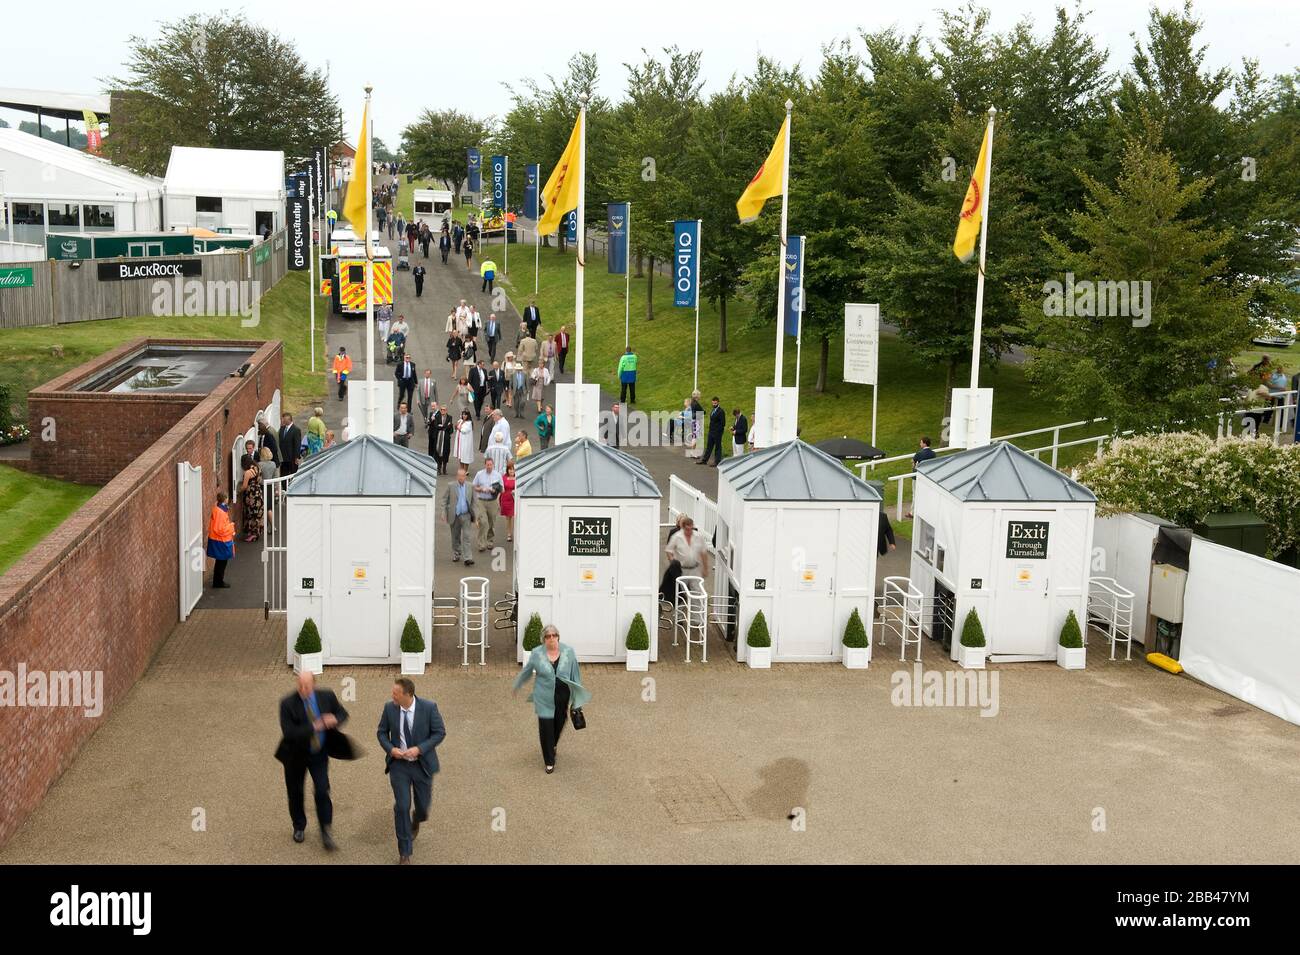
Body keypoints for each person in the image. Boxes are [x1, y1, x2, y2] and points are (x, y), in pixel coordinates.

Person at [275, 671, 353, 849]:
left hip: (319, 753)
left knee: (322, 790)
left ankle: (326, 829)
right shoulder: (287, 703)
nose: (303, 689)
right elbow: (289, 733)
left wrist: (335, 719)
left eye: (307, 686)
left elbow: (342, 713)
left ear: (314, 684)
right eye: (300, 685)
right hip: (295, 755)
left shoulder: (326, 696)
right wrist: (315, 725)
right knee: (295, 793)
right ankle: (299, 826)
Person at [376, 678, 446, 865]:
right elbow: (381, 732)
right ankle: (405, 853)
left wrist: (420, 749)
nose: (392, 696)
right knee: (402, 806)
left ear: (407, 695)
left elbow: (439, 733)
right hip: (399, 766)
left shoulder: (429, 708)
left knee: (423, 807)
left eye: (396, 693)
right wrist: (391, 749)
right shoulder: (390, 708)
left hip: (422, 765)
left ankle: (417, 819)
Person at [512, 624, 591, 774]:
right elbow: (527, 671)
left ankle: (552, 744)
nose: (551, 638)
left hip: (563, 694)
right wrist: (517, 685)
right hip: (543, 695)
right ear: (544, 639)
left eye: (554, 635)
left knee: (560, 721)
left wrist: (577, 698)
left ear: (558, 637)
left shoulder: (568, 652)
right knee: (546, 726)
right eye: (548, 636)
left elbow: (575, 675)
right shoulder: (536, 653)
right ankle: (549, 760)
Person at [659, 516, 709, 602]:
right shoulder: (676, 536)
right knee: (680, 594)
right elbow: (668, 550)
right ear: (682, 527)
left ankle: (695, 615)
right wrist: (673, 562)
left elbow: (703, 552)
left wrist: (705, 568)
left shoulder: (699, 536)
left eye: (690, 528)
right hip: (681, 570)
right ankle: (680, 614)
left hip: (695, 570)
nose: (689, 531)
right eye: (687, 529)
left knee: (697, 594)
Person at [442, 464, 477, 563]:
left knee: (466, 536)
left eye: (463, 476)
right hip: (454, 515)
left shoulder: (470, 486)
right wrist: (444, 513)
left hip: (466, 515)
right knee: (455, 536)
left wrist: (474, 514)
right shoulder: (451, 486)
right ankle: (457, 553)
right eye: (459, 476)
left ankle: (468, 558)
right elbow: (444, 500)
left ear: (465, 476)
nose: (461, 478)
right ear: (457, 476)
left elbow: (474, 501)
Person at [472, 457, 503, 551]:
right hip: (481, 500)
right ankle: (481, 543)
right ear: (485, 465)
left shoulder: (497, 475)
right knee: (483, 522)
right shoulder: (479, 474)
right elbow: (474, 486)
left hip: (493, 501)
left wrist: (494, 490)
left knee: (491, 522)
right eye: (487, 465)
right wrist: (481, 489)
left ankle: (490, 540)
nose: (489, 466)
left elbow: (502, 489)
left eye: (491, 465)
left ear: (493, 465)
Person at [206, 491, 235, 588]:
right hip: (221, 541)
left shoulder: (218, 509)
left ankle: (218, 581)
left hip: (218, 540)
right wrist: (231, 526)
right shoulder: (221, 512)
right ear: (225, 499)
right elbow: (220, 529)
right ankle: (218, 582)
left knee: (220, 562)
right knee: (221, 562)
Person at [238, 453, 263, 542]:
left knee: (251, 514)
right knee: (257, 514)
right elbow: (259, 479)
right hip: (258, 492)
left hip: (251, 495)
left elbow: (244, 486)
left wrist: (238, 491)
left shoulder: (248, 472)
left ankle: (253, 535)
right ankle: (256, 532)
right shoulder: (257, 468)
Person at [699, 396, 725, 466]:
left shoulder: (721, 411)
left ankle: (717, 462)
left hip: (717, 433)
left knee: (717, 447)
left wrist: (718, 432)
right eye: (713, 403)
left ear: (718, 402)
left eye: (715, 403)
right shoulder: (713, 410)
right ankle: (704, 460)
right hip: (711, 432)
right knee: (709, 447)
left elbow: (723, 423)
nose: (714, 404)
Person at [278, 412, 302, 476]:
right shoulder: (282, 429)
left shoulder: (296, 430)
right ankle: (284, 486)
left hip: (292, 458)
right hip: (283, 457)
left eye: (284, 420)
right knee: (283, 474)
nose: (282, 421)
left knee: (292, 474)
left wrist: (296, 457)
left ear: (289, 420)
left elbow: (297, 444)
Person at [501, 459, 517, 542]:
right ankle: (509, 534)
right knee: (508, 518)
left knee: (514, 517)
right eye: (510, 469)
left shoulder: (517, 477)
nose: (512, 471)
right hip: (506, 499)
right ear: (507, 470)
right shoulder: (504, 477)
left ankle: (515, 533)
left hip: (514, 499)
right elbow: (501, 488)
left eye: (513, 469)